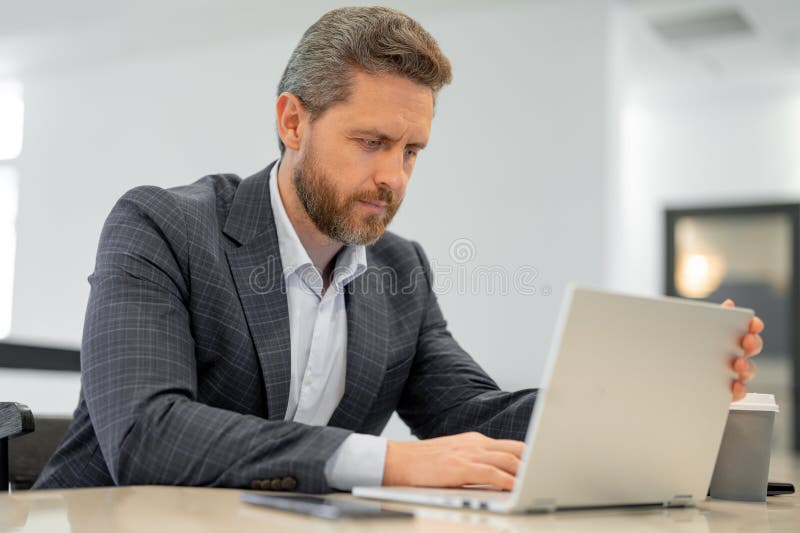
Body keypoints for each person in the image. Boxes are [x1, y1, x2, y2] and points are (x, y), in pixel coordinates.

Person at [34, 6, 763, 493]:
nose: (394, 177)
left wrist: (646, 393)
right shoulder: (161, 226)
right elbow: (147, 433)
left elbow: (471, 414)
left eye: (412, 151)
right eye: (371, 142)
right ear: (293, 121)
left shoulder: (399, 271)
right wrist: (389, 461)